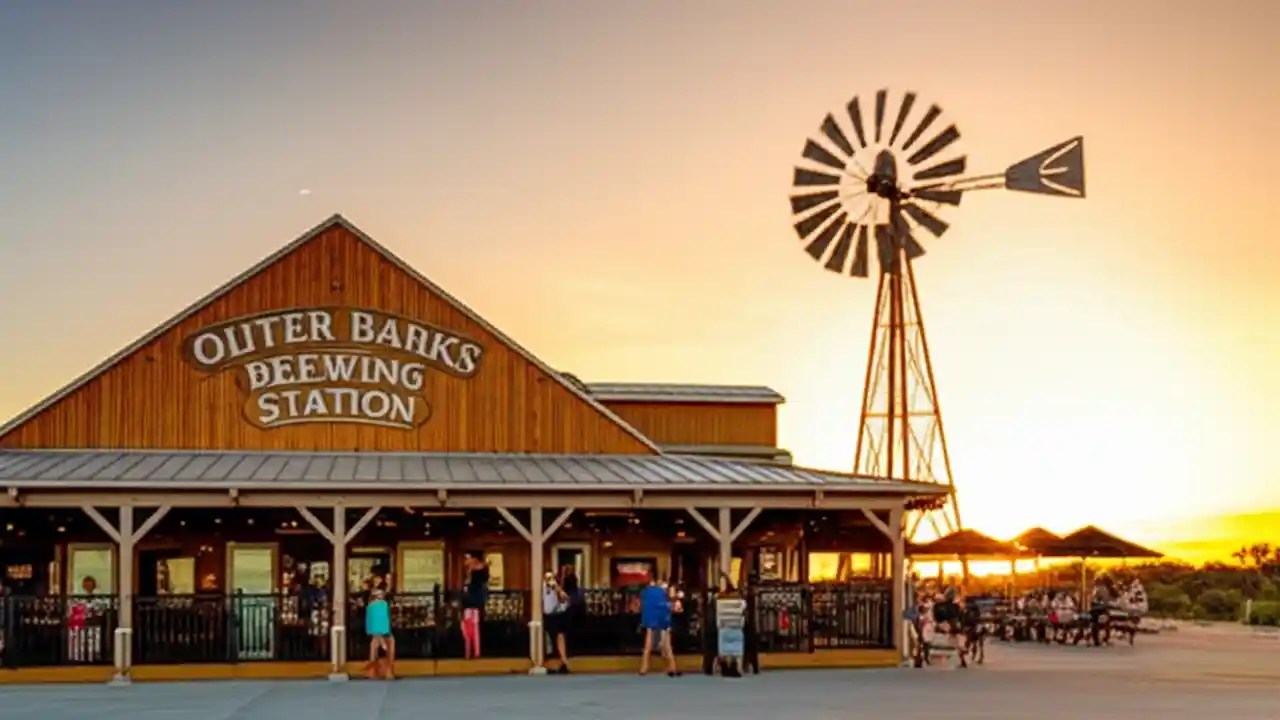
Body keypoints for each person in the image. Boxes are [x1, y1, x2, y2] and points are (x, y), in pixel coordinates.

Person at [639, 578, 680, 677]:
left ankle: (644, 669)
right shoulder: (663, 593)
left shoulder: (647, 592)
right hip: (663, 621)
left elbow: (645, 606)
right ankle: (672, 668)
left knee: (649, 646)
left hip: (652, 621)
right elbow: (671, 607)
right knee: (666, 647)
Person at [461, 550, 489, 659]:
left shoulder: (477, 574)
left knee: (473, 630)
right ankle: (470, 652)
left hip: (473, 604)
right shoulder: (471, 572)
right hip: (471, 604)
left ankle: (474, 652)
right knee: (469, 631)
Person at [542, 572, 571, 674]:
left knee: (560, 637)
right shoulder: (543, 588)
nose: (549, 580)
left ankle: (563, 662)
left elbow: (565, 599)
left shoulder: (557, 588)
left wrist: (556, 589)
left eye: (551, 578)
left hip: (558, 616)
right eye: (547, 578)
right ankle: (550, 664)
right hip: (548, 617)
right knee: (549, 641)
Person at [364, 588, 395, 679]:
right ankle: (388, 671)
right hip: (383, 630)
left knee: (374, 645)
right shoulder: (382, 605)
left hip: (376, 631)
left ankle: (373, 671)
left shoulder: (370, 606)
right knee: (389, 646)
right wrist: (382, 640)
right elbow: (381, 621)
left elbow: (373, 621)